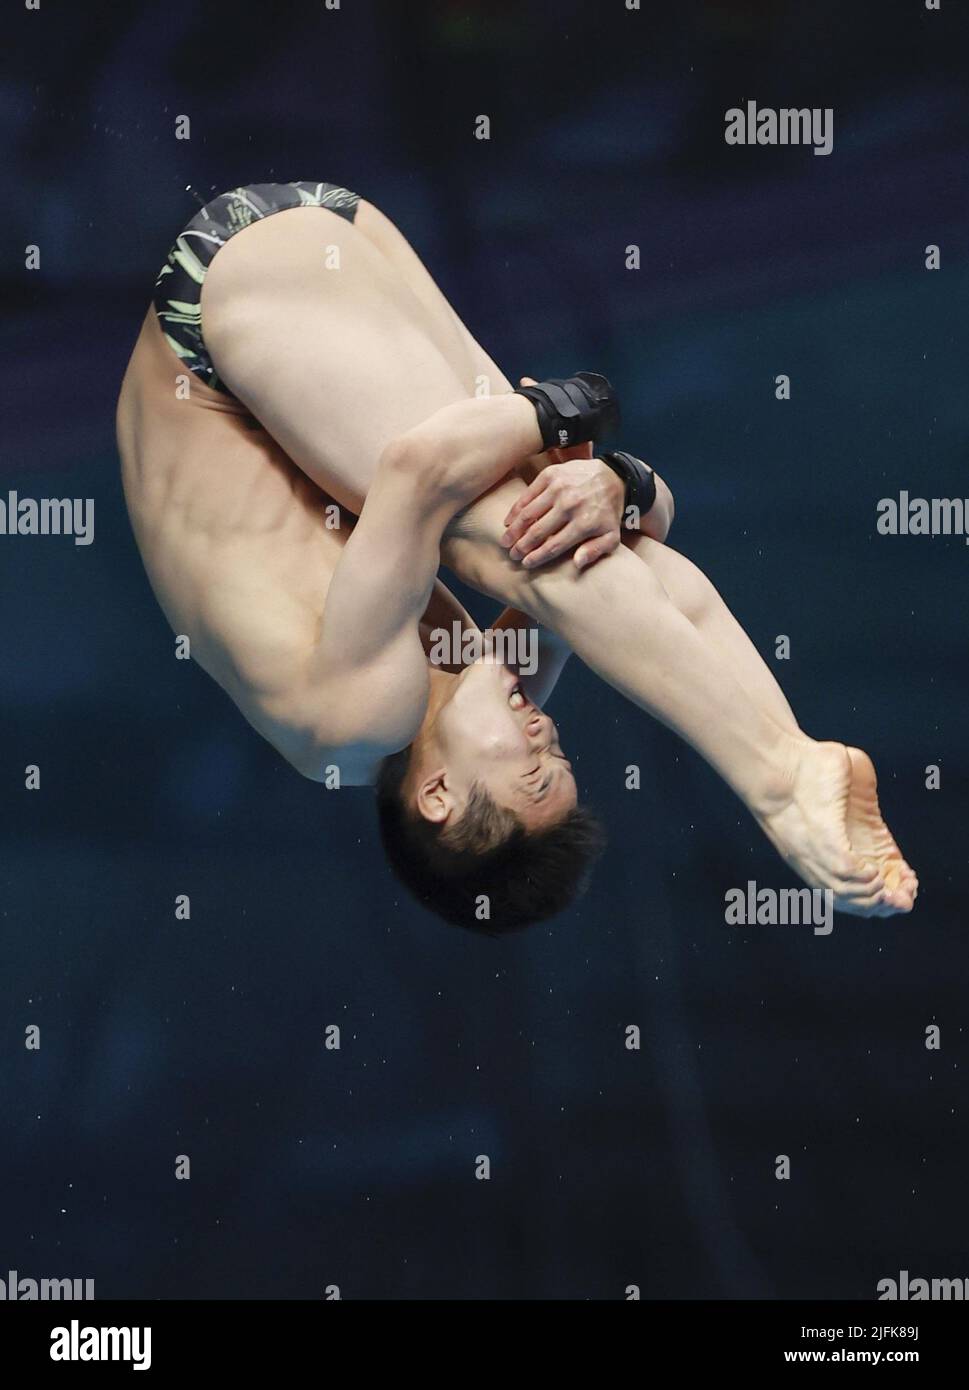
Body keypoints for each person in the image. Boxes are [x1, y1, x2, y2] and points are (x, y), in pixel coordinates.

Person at [117, 180, 917, 929]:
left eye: (531, 771)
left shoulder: (358, 721)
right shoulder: (466, 693)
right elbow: (642, 558)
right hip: (332, 236)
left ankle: (779, 784)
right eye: (559, 755)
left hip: (221, 304)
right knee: (561, 522)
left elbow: (418, 472)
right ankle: (797, 753)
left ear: (437, 796)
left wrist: (581, 407)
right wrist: (617, 485)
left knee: (513, 540)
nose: (544, 734)